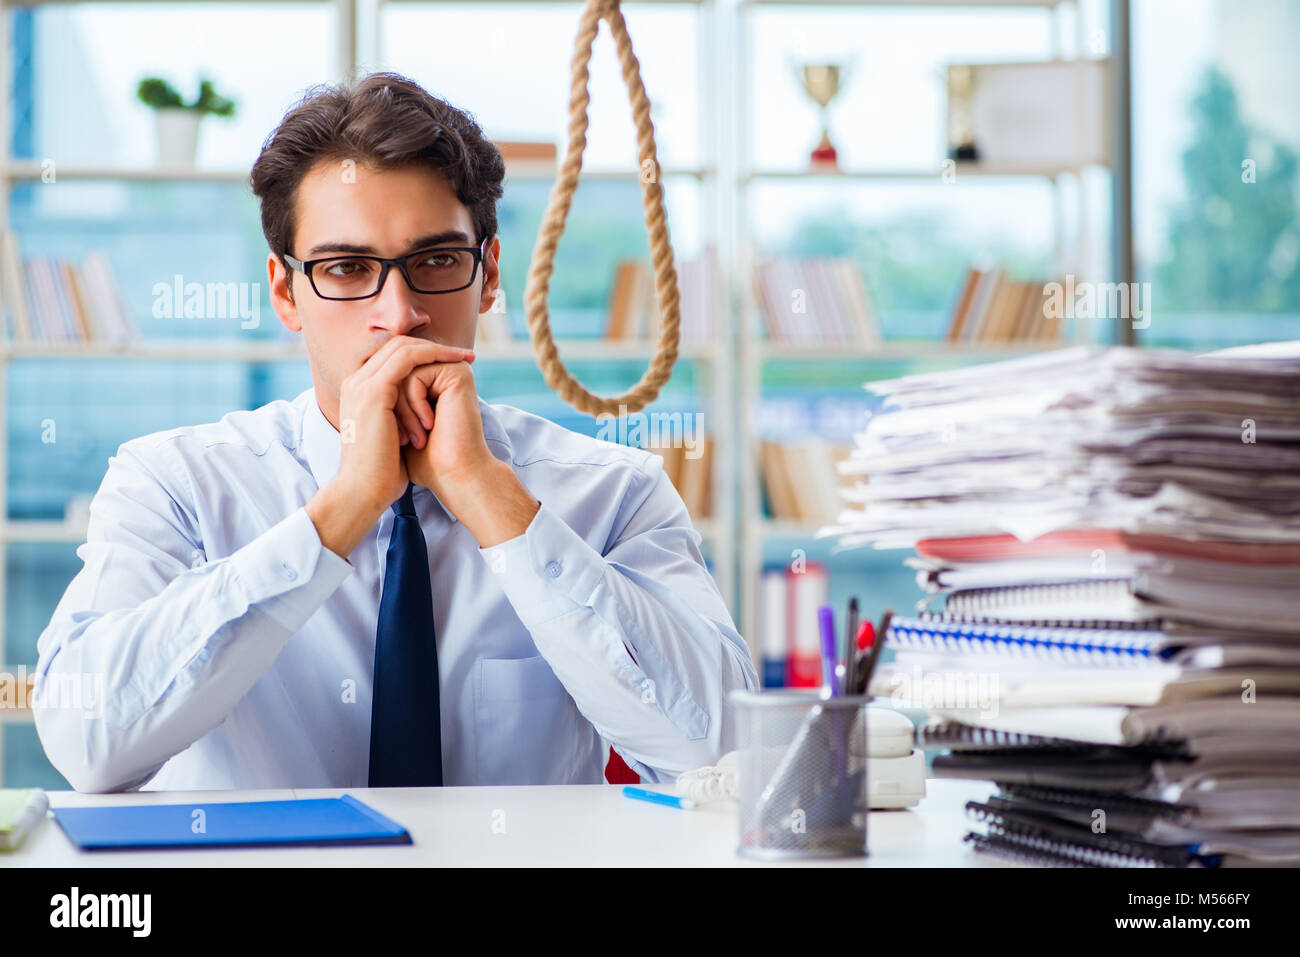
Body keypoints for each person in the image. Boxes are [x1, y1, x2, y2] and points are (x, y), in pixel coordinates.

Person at [34, 72, 757, 792]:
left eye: (436, 261)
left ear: (489, 274)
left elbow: (722, 751)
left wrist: (495, 502)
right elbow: (87, 742)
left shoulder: (613, 491)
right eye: (347, 268)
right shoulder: (175, 483)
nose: (400, 312)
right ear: (286, 292)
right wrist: (341, 510)